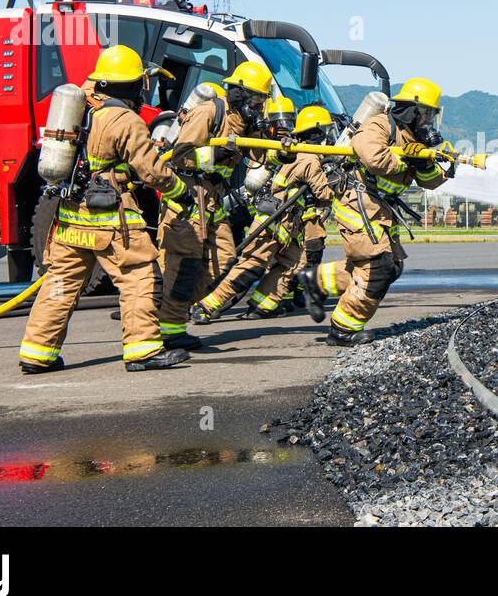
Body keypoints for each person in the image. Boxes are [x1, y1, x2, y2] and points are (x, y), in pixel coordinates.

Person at [18, 45, 191, 373]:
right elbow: (151, 170)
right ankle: (143, 350)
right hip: (109, 218)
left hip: (70, 216)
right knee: (139, 275)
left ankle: (37, 353)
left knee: (61, 281)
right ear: (129, 85)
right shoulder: (124, 120)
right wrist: (179, 191)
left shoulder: (80, 104)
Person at [298, 78, 448, 345]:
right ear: (412, 111)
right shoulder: (380, 124)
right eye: (425, 114)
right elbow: (373, 158)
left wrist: (424, 164)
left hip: (380, 209)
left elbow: (432, 180)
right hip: (357, 203)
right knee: (378, 267)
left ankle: (316, 281)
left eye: (431, 116)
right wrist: (407, 160)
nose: (428, 122)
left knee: (390, 268)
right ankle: (343, 328)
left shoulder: (415, 139)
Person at [156, 60, 272, 349]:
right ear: (239, 93)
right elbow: (180, 156)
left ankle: (173, 314)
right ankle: (168, 329)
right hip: (190, 192)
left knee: (224, 256)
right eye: (255, 99)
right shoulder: (209, 111)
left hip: (212, 197)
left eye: (261, 101)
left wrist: (278, 147)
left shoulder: (245, 123)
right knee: (184, 264)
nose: (257, 106)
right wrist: (216, 154)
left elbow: (260, 158)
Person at [190, 99, 334, 321]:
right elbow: (323, 194)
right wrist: (335, 179)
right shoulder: (308, 158)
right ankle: (207, 306)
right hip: (274, 221)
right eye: (323, 130)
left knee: (295, 263)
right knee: (251, 266)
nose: (325, 136)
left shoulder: (302, 153)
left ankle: (263, 304)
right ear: (315, 132)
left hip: (287, 224)